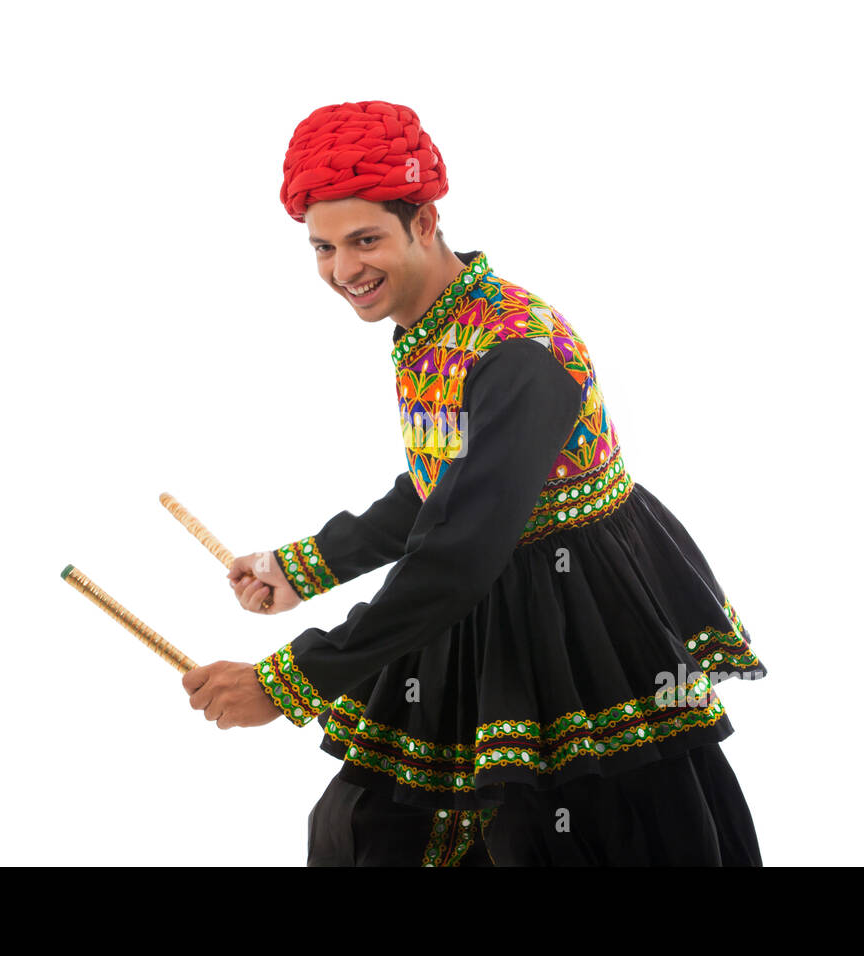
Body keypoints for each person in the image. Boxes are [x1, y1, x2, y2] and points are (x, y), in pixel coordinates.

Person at [182, 100, 768, 866]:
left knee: (575, 831)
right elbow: (445, 485)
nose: (343, 270)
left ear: (425, 221)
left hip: (575, 624)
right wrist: (305, 566)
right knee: (369, 828)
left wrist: (290, 682)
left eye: (365, 240)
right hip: (471, 600)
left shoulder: (519, 350)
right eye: (322, 247)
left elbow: (460, 544)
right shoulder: (434, 322)